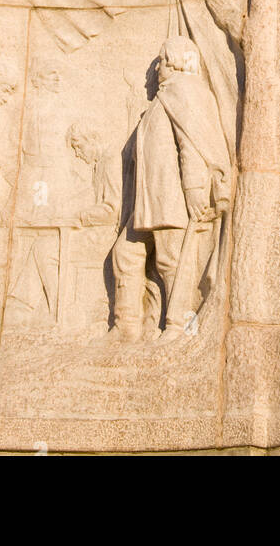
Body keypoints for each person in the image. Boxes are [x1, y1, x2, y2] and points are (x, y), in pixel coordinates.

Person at [111, 36, 231, 341]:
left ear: (177, 62)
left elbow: (191, 145)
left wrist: (193, 191)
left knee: (170, 260)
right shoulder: (163, 99)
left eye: (163, 61)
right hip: (149, 196)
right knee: (125, 253)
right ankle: (125, 325)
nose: (158, 68)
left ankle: (180, 325)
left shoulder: (186, 92)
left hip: (171, 195)